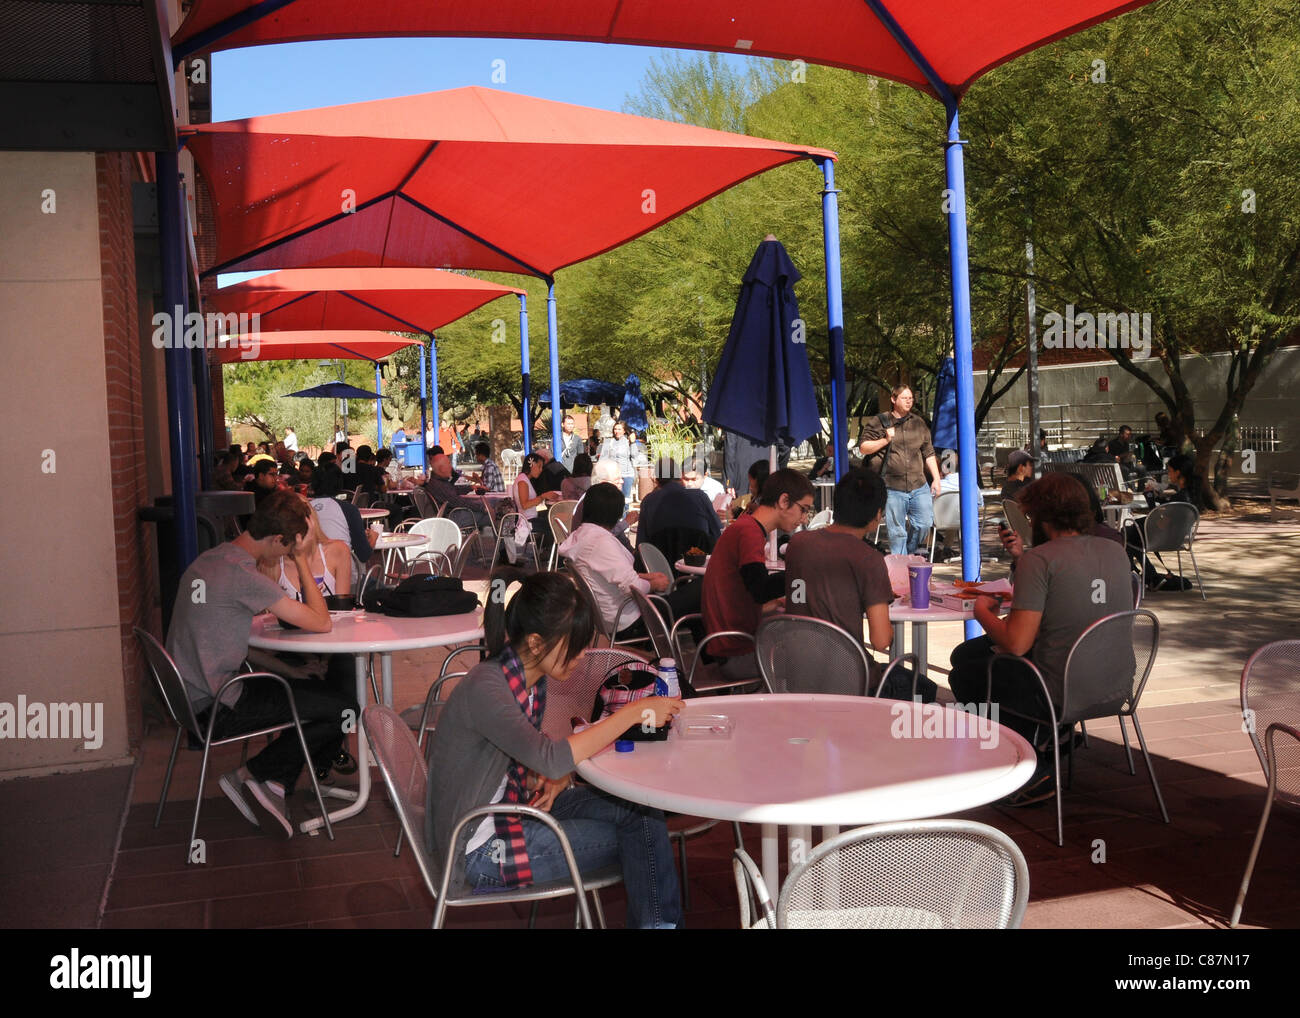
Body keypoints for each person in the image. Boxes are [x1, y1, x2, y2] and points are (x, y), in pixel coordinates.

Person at [426, 568, 684, 927]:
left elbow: (535, 760)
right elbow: (548, 758)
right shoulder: (489, 689)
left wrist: (555, 778)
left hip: (509, 806)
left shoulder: (525, 680)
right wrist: (633, 712)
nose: (582, 656)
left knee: (642, 814)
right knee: (641, 835)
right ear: (534, 642)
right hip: (480, 849)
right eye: (575, 645)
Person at [166, 491, 358, 838]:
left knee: (314, 694)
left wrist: (290, 671)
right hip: (218, 706)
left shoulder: (211, 559)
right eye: (287, 548)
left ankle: (273, 782)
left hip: (192, 696)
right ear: (277, 539)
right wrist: (300, 562)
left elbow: (232, 641)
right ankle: (252, 775)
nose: (286, 553)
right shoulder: (243, 576)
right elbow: (321, 621)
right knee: (343, 708)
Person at [947, 472, 1135, 805]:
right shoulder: (1115, 550)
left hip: (1059, 690)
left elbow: (1018, 643)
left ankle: (1032, 765)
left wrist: (982, 611)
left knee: (964, 675)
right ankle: (1049, 738)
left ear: (1042, 517)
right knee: (969, 655)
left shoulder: (1040, 559)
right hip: (1117, 684)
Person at [784, 468, 937, 701]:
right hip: (850, 680)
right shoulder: (868, 558)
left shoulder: (798, 544)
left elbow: (803, 593)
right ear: (878, 514)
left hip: (798, 672)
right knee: (925, 688)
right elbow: (881, 640)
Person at [702, 469, 814, 682]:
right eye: (803, 509)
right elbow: (760, 590)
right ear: (783, 501)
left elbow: (748, 592)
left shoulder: (745, 527)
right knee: (817, 658)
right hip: (736, 651)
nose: (804, 518)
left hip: (726, 642)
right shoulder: (749, 532)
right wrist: (801, 575)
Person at [559, 482, 698, 637]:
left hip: (614, 617)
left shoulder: (583, 536)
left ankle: (710, 654)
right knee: (701, 589)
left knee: (696, 599)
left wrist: (647, 577)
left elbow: (609, 575)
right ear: (616, 514)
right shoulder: (600, 542)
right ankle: (712, 653)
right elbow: (632, 587)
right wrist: (654, 583)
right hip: (632, 620)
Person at [858, 385, 941, 556]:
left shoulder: (918, 423)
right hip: (891, 485)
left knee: (925, 523)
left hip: (918, 484)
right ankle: (901, 567)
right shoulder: (879, 421)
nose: (909, 401)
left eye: (911, 398)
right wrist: (885, 440)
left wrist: (936, 478)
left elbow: (929, 452)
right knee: (897, 533)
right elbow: (864, 448)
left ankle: (907, 555)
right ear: (893, 399)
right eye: (904, 398)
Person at [637, 457, 722, 566]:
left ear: (656, 480)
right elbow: (717, 532)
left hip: (661, 567)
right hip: (696, 566)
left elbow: (641, 544)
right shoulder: (700, 497)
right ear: (679, 477)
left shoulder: (648, 501)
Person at [424, 453, 491, 530]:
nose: (451, 467)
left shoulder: (437, 482)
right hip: (451, 518)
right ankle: (499, 538)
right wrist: (482, 508)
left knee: (491, 507)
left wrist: (470, 487)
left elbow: (453, 490)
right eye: (449, 464)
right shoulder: (439, 485)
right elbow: (457, 501)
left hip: (449, 515)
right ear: (442, 468)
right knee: (490, 510)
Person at [514, 452, 562, 559]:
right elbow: (525, 504)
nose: (541, 470)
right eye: (539, 467)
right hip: (527, 522)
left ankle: (548, 552)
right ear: (532, 465)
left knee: (553, 519)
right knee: (555, 525)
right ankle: (554, 556)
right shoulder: (522, 481)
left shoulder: (525, 480)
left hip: (530, 518)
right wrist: (543, 496)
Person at [598, 420, 635, 505]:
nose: (616, 431)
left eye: (619, 429)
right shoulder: (608, 442)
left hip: (627, 474)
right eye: (615, 429)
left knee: (625, 501)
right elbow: (602, 459)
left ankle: (624, 518)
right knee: (613, 500)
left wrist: (633, 443)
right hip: (613, 476)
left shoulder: (628, 442)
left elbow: (634, 456)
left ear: (624, 430)